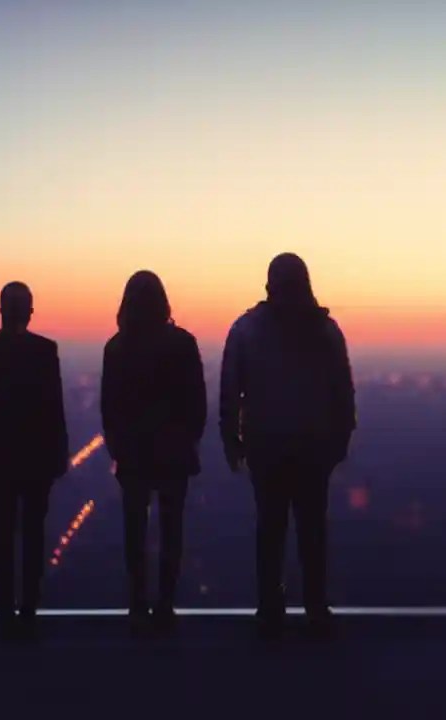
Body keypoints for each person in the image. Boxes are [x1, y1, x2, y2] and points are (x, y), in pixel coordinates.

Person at [219, 253, 356, 639]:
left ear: (269, 284)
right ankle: (314, 606)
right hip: (314, 446)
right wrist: (340, 438)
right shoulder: (325, 330)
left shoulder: (246, 329)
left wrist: (232, 440)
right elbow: (342, 391)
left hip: (267, 446)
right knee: (312, 529)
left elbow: (231, 391)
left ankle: (270, 607)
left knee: (270, 528)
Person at [101, 271, 206, 635]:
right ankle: (165, 603)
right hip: (174, 451)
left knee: (135, 530)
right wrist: (188, 439)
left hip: (133, 452)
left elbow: (109, 407)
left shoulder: (116, 348)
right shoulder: (182, 343)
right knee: (171, 529)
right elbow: (197, 403)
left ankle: (136, 603)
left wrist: (118, 446)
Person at [0, 282, 69, 641]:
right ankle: (28, 606)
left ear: (0, 310)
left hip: (1, 457)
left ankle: (5, 608)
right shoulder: (46, 351)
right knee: (33, 534)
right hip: (37, 457)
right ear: (30, 311)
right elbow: (54, 407)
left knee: (4, 533)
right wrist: (59, 454)